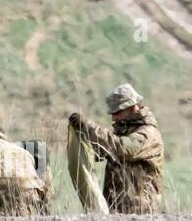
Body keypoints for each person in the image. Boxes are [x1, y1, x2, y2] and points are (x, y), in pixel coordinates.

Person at [68, 83, 163, 213]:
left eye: (118, 112)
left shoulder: (149, 134)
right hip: (116, 210)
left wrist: (90, 128)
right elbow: (103, 152)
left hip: (141, 212)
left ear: (133, 107)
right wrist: (82, 139)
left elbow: (122, 148)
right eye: (112, 113)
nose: (113, 117)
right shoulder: (123, 132)